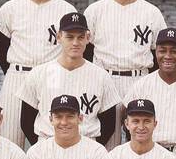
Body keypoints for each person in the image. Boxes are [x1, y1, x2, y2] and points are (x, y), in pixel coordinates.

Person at [84, 0, 168, 149]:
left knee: (140, 139)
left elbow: (159, 54)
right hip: (105, 79)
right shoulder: (95, 10)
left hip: (139, 79)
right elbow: (85, 51)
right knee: (106, 142)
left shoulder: (151, 12)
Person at [0, 0, 76, 145]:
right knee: (10, 139)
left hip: (52, 77)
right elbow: (1, 51)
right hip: (17, 74)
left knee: (50, 139)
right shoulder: (10, 8)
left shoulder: (66, 10)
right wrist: (17, 70)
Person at [21, 12, 121, 146]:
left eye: (80, 37)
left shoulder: (101, 76)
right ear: (59, 37)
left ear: (88, 38)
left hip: (87, 146)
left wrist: (91, 149)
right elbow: (26, 120)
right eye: (69, 37)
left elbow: (109, 124)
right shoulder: (39, 73)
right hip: (47, 145)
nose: (75, 43)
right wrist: (43, 148)